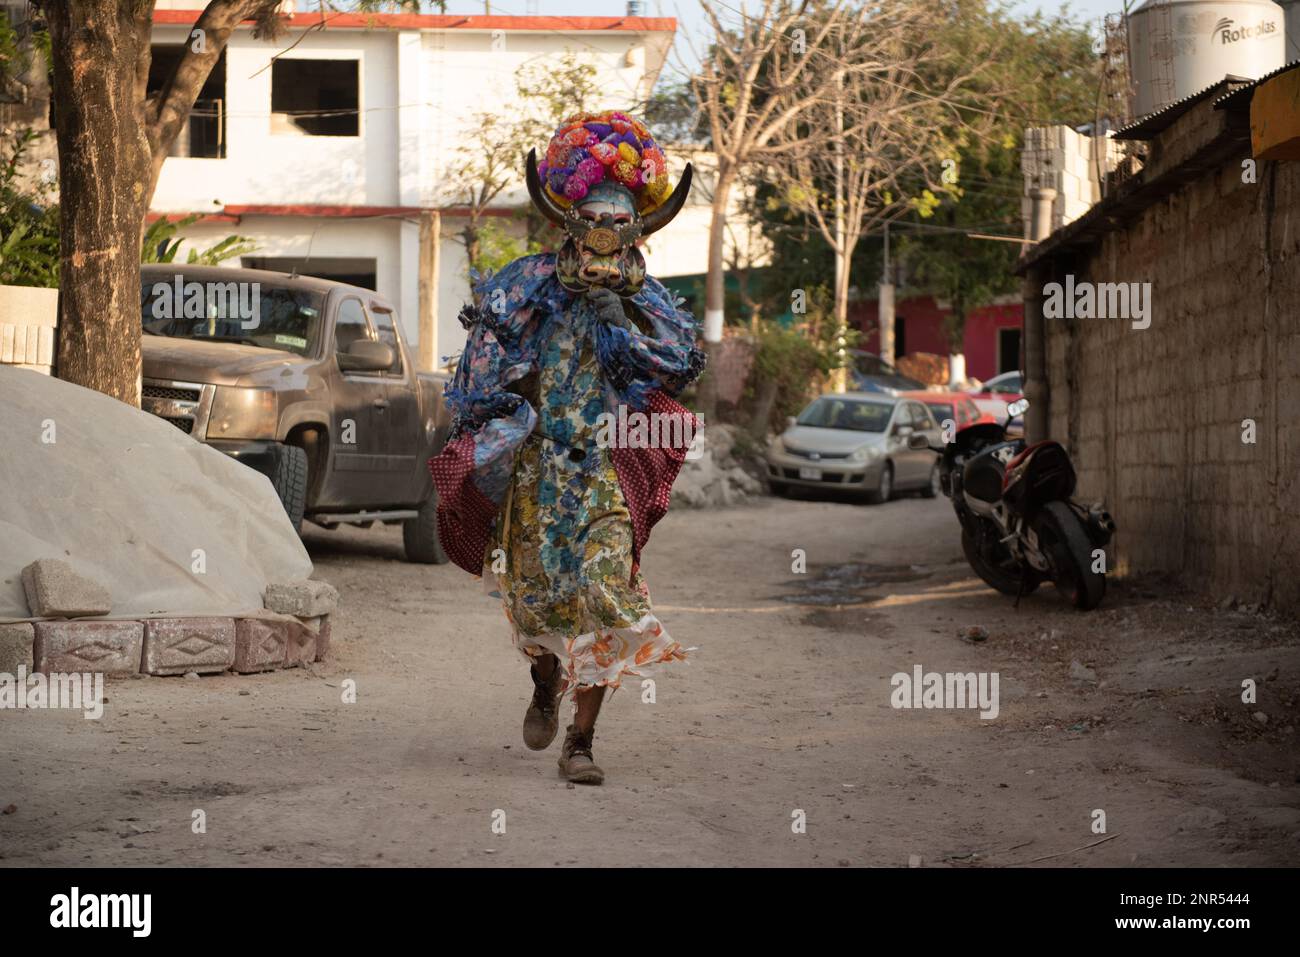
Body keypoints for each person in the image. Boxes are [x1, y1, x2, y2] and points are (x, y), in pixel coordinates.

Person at [428, 110, 706, 785]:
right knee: (536, 601)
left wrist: (625, 329)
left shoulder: (649, 298)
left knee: (607, 593)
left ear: (636, 228)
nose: (607, 235)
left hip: (608, 468)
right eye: (596, 220)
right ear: (572, 224)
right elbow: (476, 370)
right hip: (538, 472)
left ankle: (581, 741)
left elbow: (680, 364)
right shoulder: (526, 285)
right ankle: (545, 676)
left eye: (620, 220)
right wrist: (506, 397)